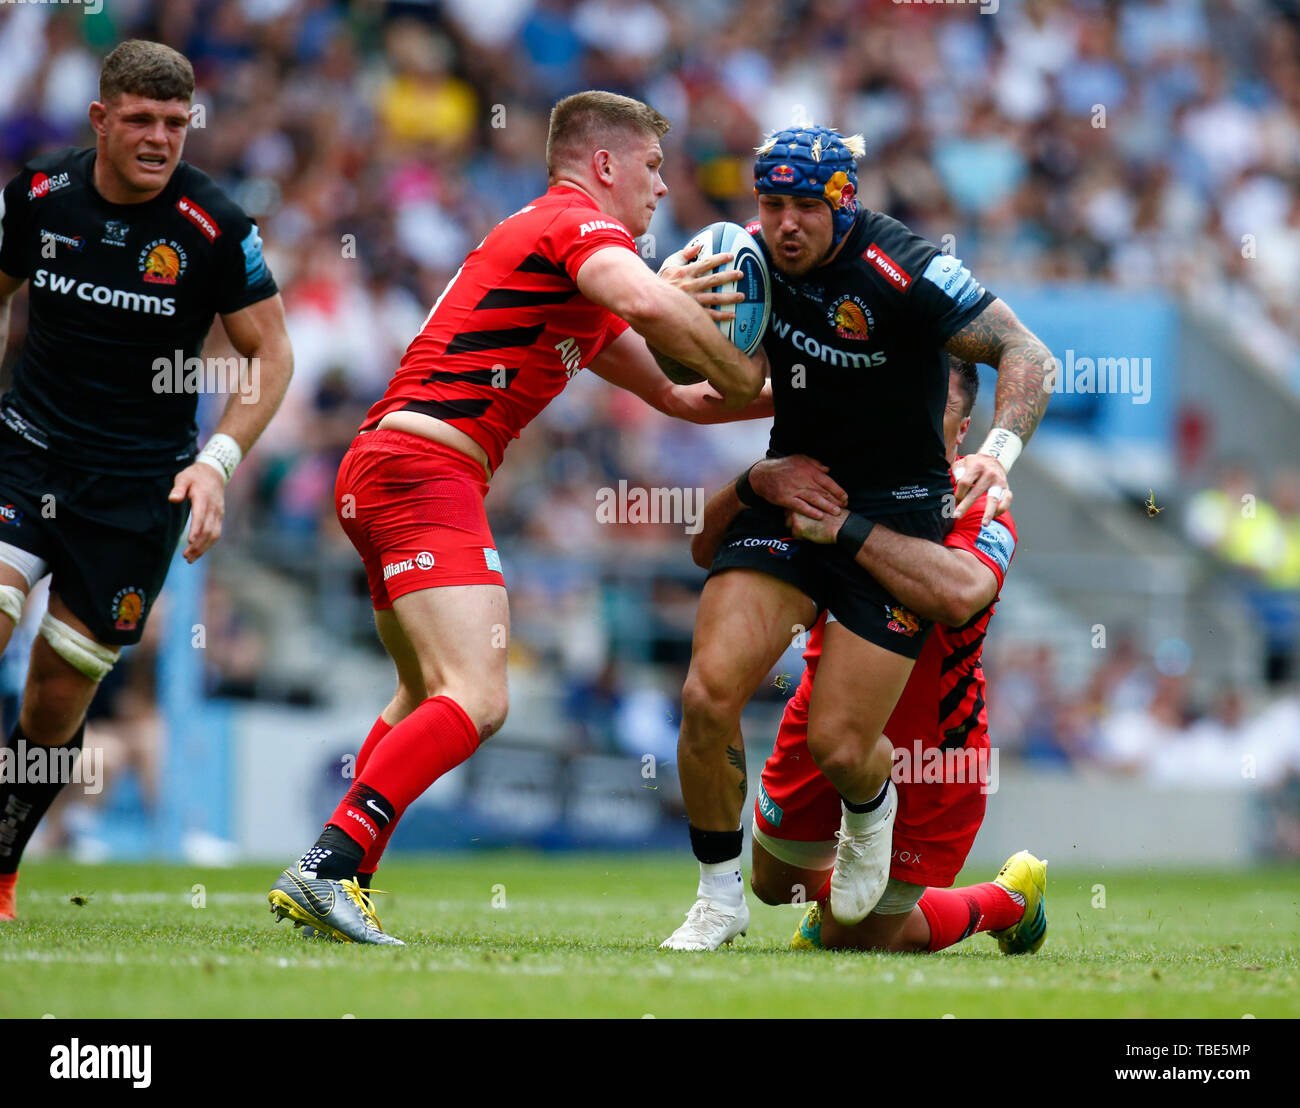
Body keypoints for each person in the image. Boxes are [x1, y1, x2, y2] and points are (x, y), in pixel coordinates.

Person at [266, 90, 770, 945]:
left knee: (425, 692)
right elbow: (653, 310)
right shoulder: (575, 223)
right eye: (651, 168)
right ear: (603, 165)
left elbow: (678, 397)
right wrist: (731, 356)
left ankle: (331, 870)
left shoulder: (574, 269)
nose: (661, 188)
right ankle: (327, 870)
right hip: (424, 470)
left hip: (392, 466)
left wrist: (788, 396)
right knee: (479, 694)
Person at [662, 124, 1053, 950]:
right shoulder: (748, 265)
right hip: (794, 494)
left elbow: (1026, 352)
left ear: (844, 202)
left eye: (806, 205)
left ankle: (942, 863)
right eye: (772, 204)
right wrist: (664, 298)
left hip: (895, 527)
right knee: (705, 697)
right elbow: (690, 385)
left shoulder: (904, 271)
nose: (787, 223)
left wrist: (998, 450)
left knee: (846, 802)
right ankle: (717, 899)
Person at [0, 41, 293, 921]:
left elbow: (271, 356)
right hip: (26, 447)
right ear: (101, 119)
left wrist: (218, 462)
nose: (160, 137)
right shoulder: (41, 195)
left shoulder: (216, 227)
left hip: (138, 491)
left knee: (58, 693)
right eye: (140, 120)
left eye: (175, 122)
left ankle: (3, 861)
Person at [691, 358, 1045, 955]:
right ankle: (841, 901)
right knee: (777, 886)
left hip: (929, 750)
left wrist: (846, 530)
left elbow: (957, 595)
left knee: (859, 938)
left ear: (961, 432)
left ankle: (1010, 899)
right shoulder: (843, 473)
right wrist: (756, 480)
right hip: (822, 720)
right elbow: (705, 546)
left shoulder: (981, 500)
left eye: (935, 413)